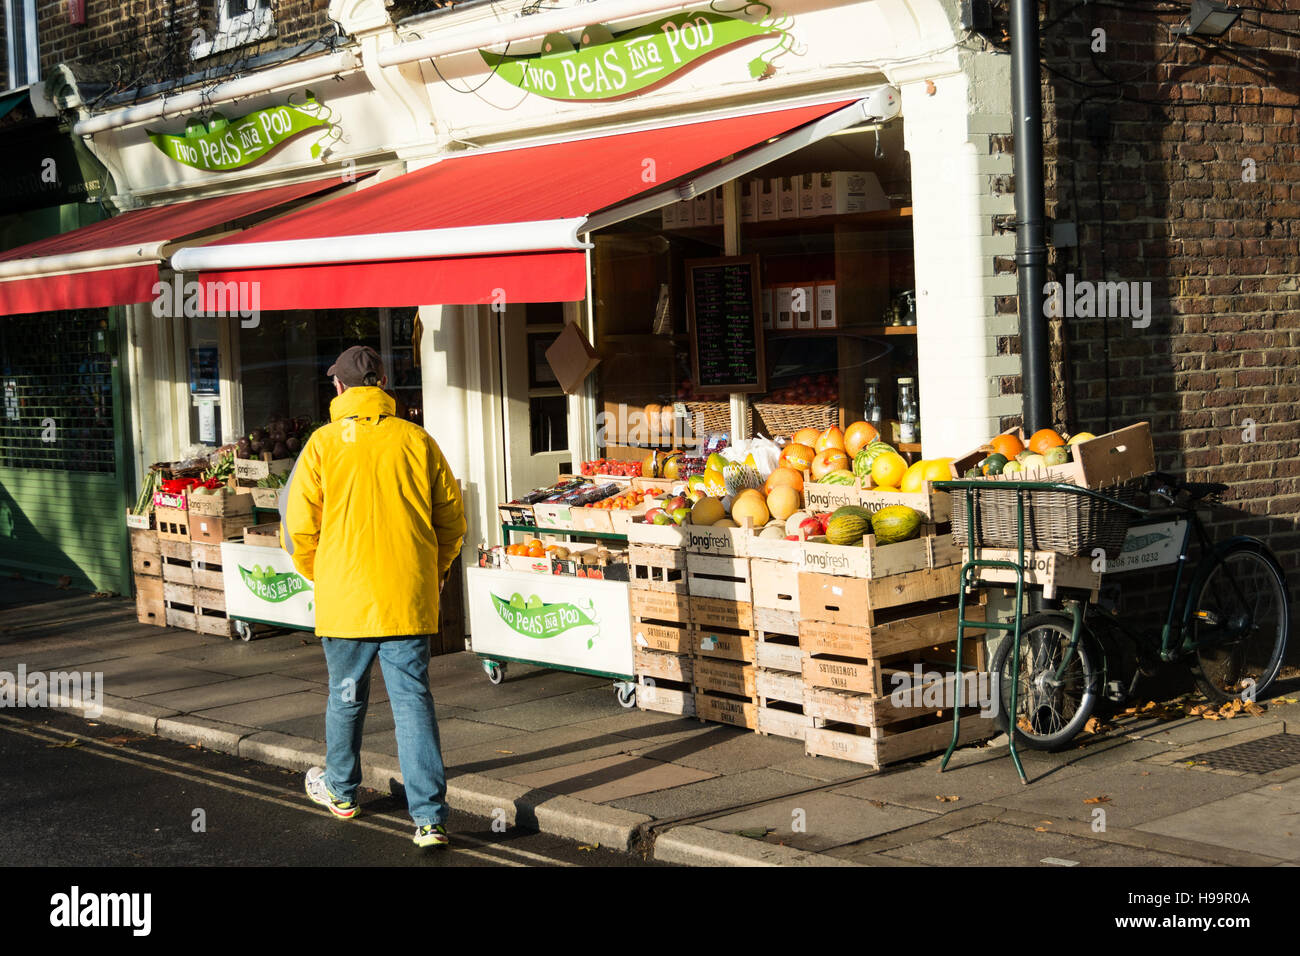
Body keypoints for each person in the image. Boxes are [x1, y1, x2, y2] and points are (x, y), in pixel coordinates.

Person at [281, 345, 466, 848]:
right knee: (412, 702)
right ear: (383, 382)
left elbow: (298, 527)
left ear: (338, 388)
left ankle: (342, 791)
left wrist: (321, 575)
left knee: (346, 698)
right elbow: (453, 521)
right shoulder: (416, 439)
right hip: (406, 594)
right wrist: (434, 571)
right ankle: (429, 819)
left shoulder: (322, 444)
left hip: (346, 598)